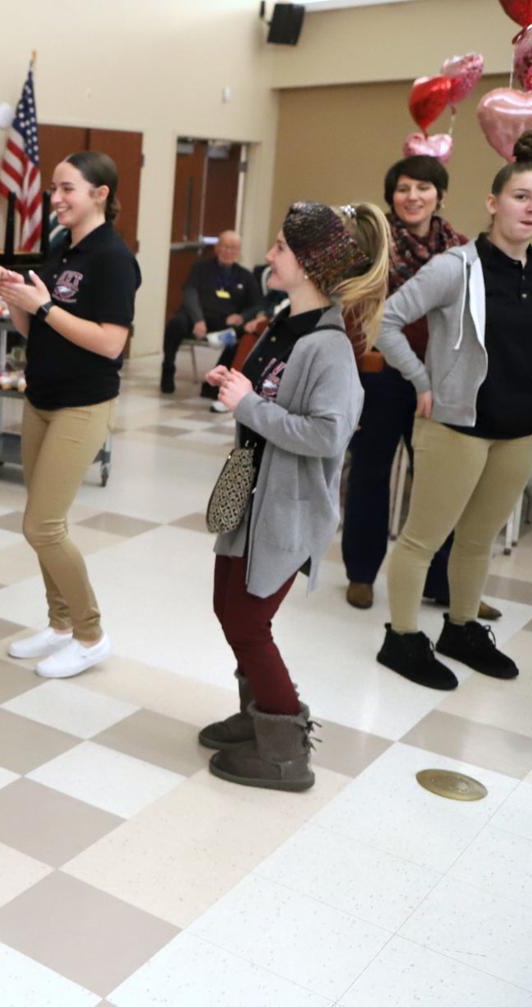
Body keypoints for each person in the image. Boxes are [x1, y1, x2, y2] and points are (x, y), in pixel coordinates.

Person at [198, 201, 388, 791]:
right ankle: (256, 718)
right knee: (228, 610)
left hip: (284, 509)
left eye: (280, 247)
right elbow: (269, 400)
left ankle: (284, 749)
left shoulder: (328, 346)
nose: (268, 255)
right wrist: (238, 388)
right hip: (249, 494)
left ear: (309, 264)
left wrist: (248, 404)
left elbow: (328, 435)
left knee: (250, 624)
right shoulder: (282, 320)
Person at [376, 132, 532, 690]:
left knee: (478, 538)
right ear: (493, 203)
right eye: (522, 197)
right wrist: (420, 378)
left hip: (523, 425)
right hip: (458, 425)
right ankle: (403, 636)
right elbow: (385, 321)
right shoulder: (454, 267)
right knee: (422, 538)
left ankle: (460, 628)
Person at [0, 151, 140, 680]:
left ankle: (90, 633)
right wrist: (17, 300)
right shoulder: (62, 248)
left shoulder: (113, 259)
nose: (55, 199)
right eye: (54, 189)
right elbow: (39, 330)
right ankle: (58, 625)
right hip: (41, 399)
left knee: (43, 525)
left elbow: (109, 344)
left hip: (83, 403)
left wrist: (47, 306)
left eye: (67, 189)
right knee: (43, 523)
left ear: (100, 194)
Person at [340, 156, 503, 622]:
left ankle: (444, 583)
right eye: (404, 188)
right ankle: (361, 573)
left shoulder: (462, 250)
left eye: (423, 188)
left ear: (440, 195)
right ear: (392, 196)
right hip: (380, 372)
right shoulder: (372, 244)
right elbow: (354, 307)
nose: (413, 196)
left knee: (440, 483)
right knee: (370, 471)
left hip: (440, 378)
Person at [160, 230, 266, 395]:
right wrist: (198, 319)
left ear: (239, 251)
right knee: (176, 323)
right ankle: (168, 367)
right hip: (197, 318)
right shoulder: (200, 268)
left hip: (224, 323)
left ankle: (214, 382)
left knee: (242, 335)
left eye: (233, 248)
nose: (228, 251)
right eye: (225, 246)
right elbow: (190, 293)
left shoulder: (246, 276)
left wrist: (242, 316)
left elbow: (257, 304)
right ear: (217, 248)